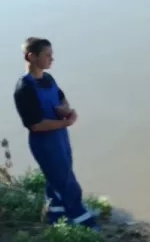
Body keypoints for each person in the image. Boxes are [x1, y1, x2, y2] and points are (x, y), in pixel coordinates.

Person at [12, 37, 98, 230]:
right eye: (47, 55)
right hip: (44, 142)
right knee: (66, 181)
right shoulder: (24, 88)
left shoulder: (48, 79)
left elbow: (61, 99)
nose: (52, 59)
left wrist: (67, 111)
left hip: (60, 137)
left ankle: (55, 214)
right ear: (31, 56)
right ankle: (83, 221)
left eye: (52, 55)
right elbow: (35, 125)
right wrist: (65, 122)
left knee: (57, 177)